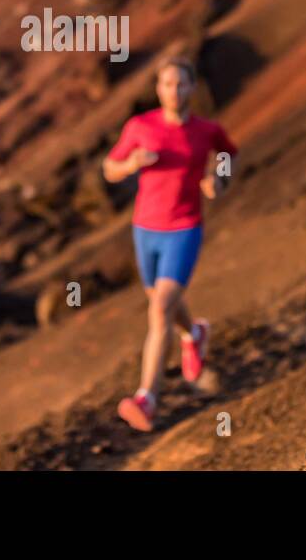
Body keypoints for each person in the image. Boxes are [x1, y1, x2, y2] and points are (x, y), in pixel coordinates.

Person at [102, 56, 238, 431]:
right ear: (158, 89)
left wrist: (217, 180)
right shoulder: (140, 126)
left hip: (184, 229)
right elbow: (109, 169)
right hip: (145, 229)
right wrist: (130, 164)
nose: (173, 91)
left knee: (160, 309)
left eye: (180, 84)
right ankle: (194, 334)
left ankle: (146, 398)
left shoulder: (207, 131)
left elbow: (228, 155)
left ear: (193, 88)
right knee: (163, 305)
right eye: (166, 84)